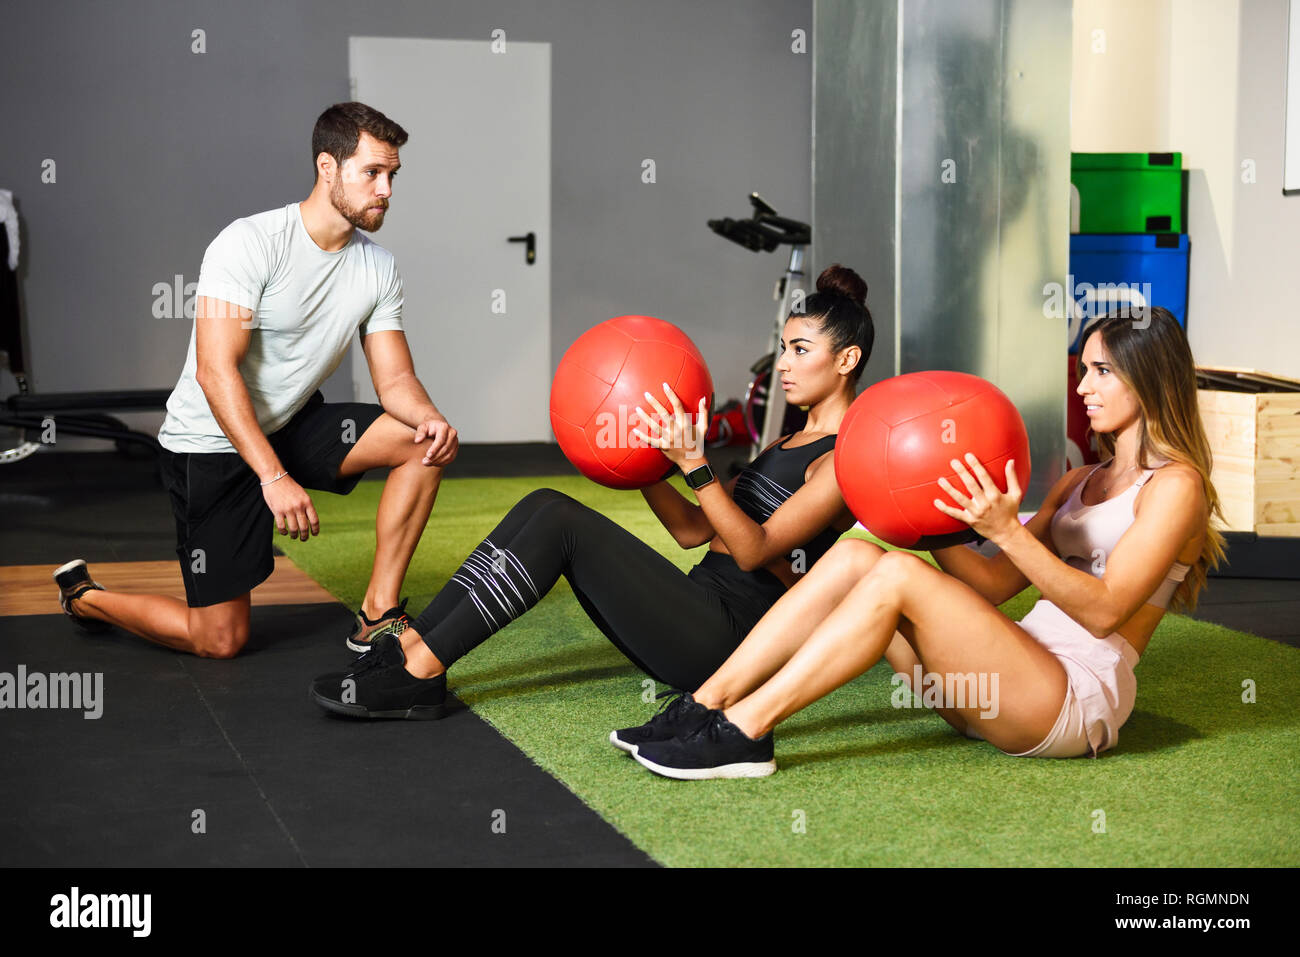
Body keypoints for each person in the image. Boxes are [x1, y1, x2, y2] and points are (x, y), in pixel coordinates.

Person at [624, 306, 1225, 778]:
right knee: (859, 554)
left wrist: (1008, 532)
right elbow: (989, 588)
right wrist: (927, 515)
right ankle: (705, 705)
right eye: (1084, 369)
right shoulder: (1080, 480)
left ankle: (746, 730)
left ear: (1148, 380)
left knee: (894, 576)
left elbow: (1105, 610)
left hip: (1068, 700)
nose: (1084, 387)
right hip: (997, 683)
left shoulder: (1176, 488)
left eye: (1103, 372)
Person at [309, 264, 875, 720]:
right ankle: (413, 650)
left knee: (558, 518)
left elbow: (754, 550)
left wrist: (697, 465)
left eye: (800, 350)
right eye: (783, 347)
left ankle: (420, 673)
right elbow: (693, 531)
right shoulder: (788, 441)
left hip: (728, 643)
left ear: (846, 360)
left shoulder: (840, 462)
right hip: (695, 610)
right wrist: (651, 462)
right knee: (543, 504)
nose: (783, 364)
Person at [52, 102, 458, 658]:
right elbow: (214, 372)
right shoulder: (249, 243)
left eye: (392, 175)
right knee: (218, 640)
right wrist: (272, 477)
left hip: (290, 421)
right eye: (372, 173)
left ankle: (376, 613)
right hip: (211, 444)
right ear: (327, 167)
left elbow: (397, 378)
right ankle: (85, 597)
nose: (386, 189)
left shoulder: (378, 266)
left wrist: (430, 416)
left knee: (422, 444)